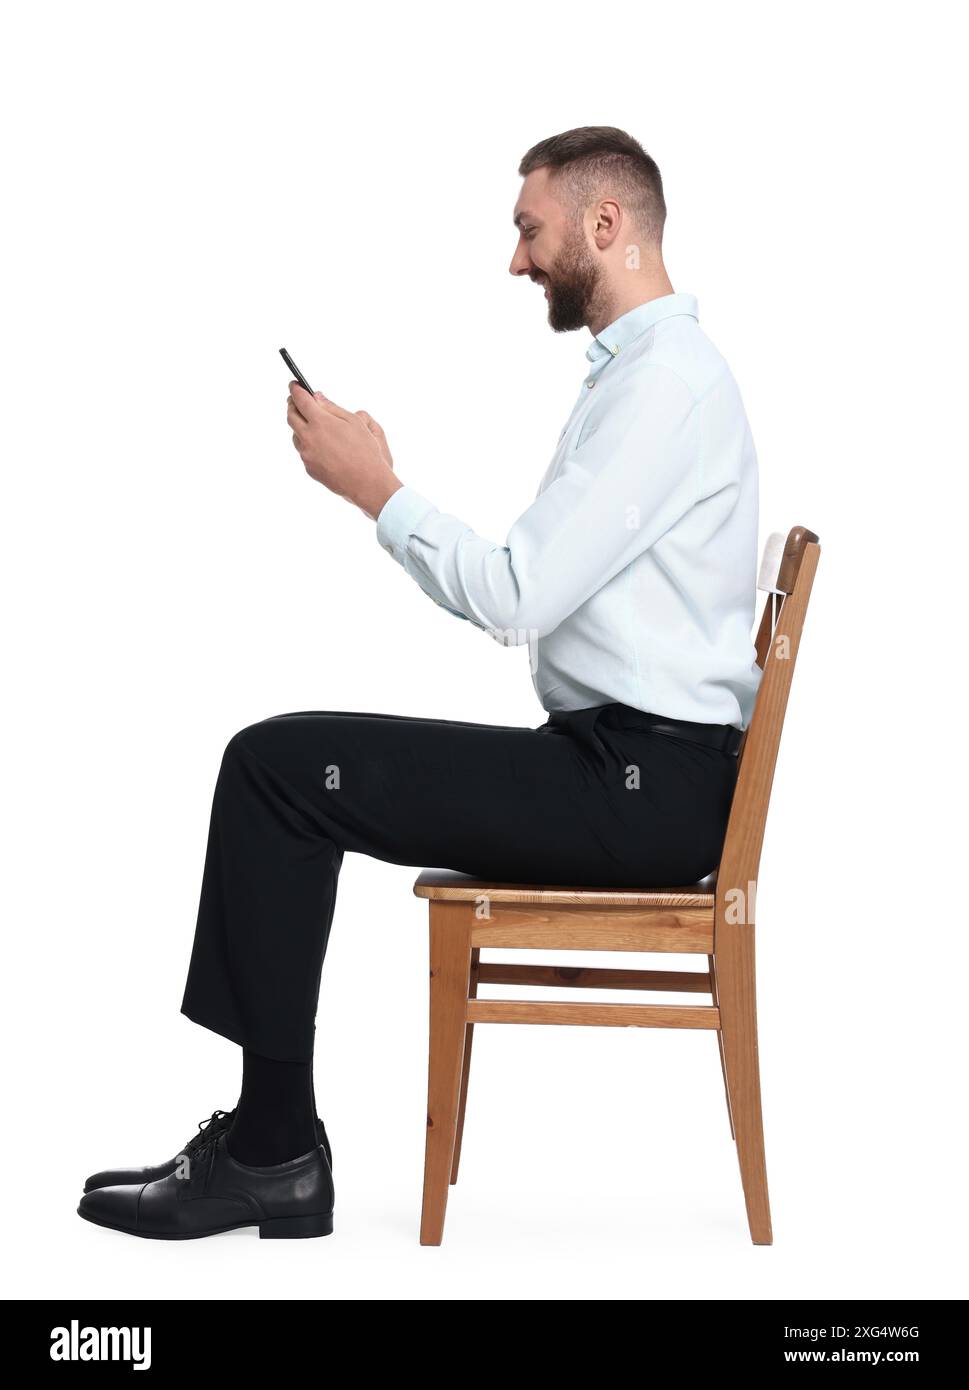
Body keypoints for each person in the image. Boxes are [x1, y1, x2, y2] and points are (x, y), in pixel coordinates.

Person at [77, 125, 762, 1240]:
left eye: (528, 230)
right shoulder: (653, 377)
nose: (517, 261)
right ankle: (272, 1143)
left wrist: (376, 488)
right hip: (624, 771)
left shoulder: (666, 387)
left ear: (606, 224)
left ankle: (273, 1152)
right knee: (281, 762)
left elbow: (513, 593)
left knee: (276, 768)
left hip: (640, 787)